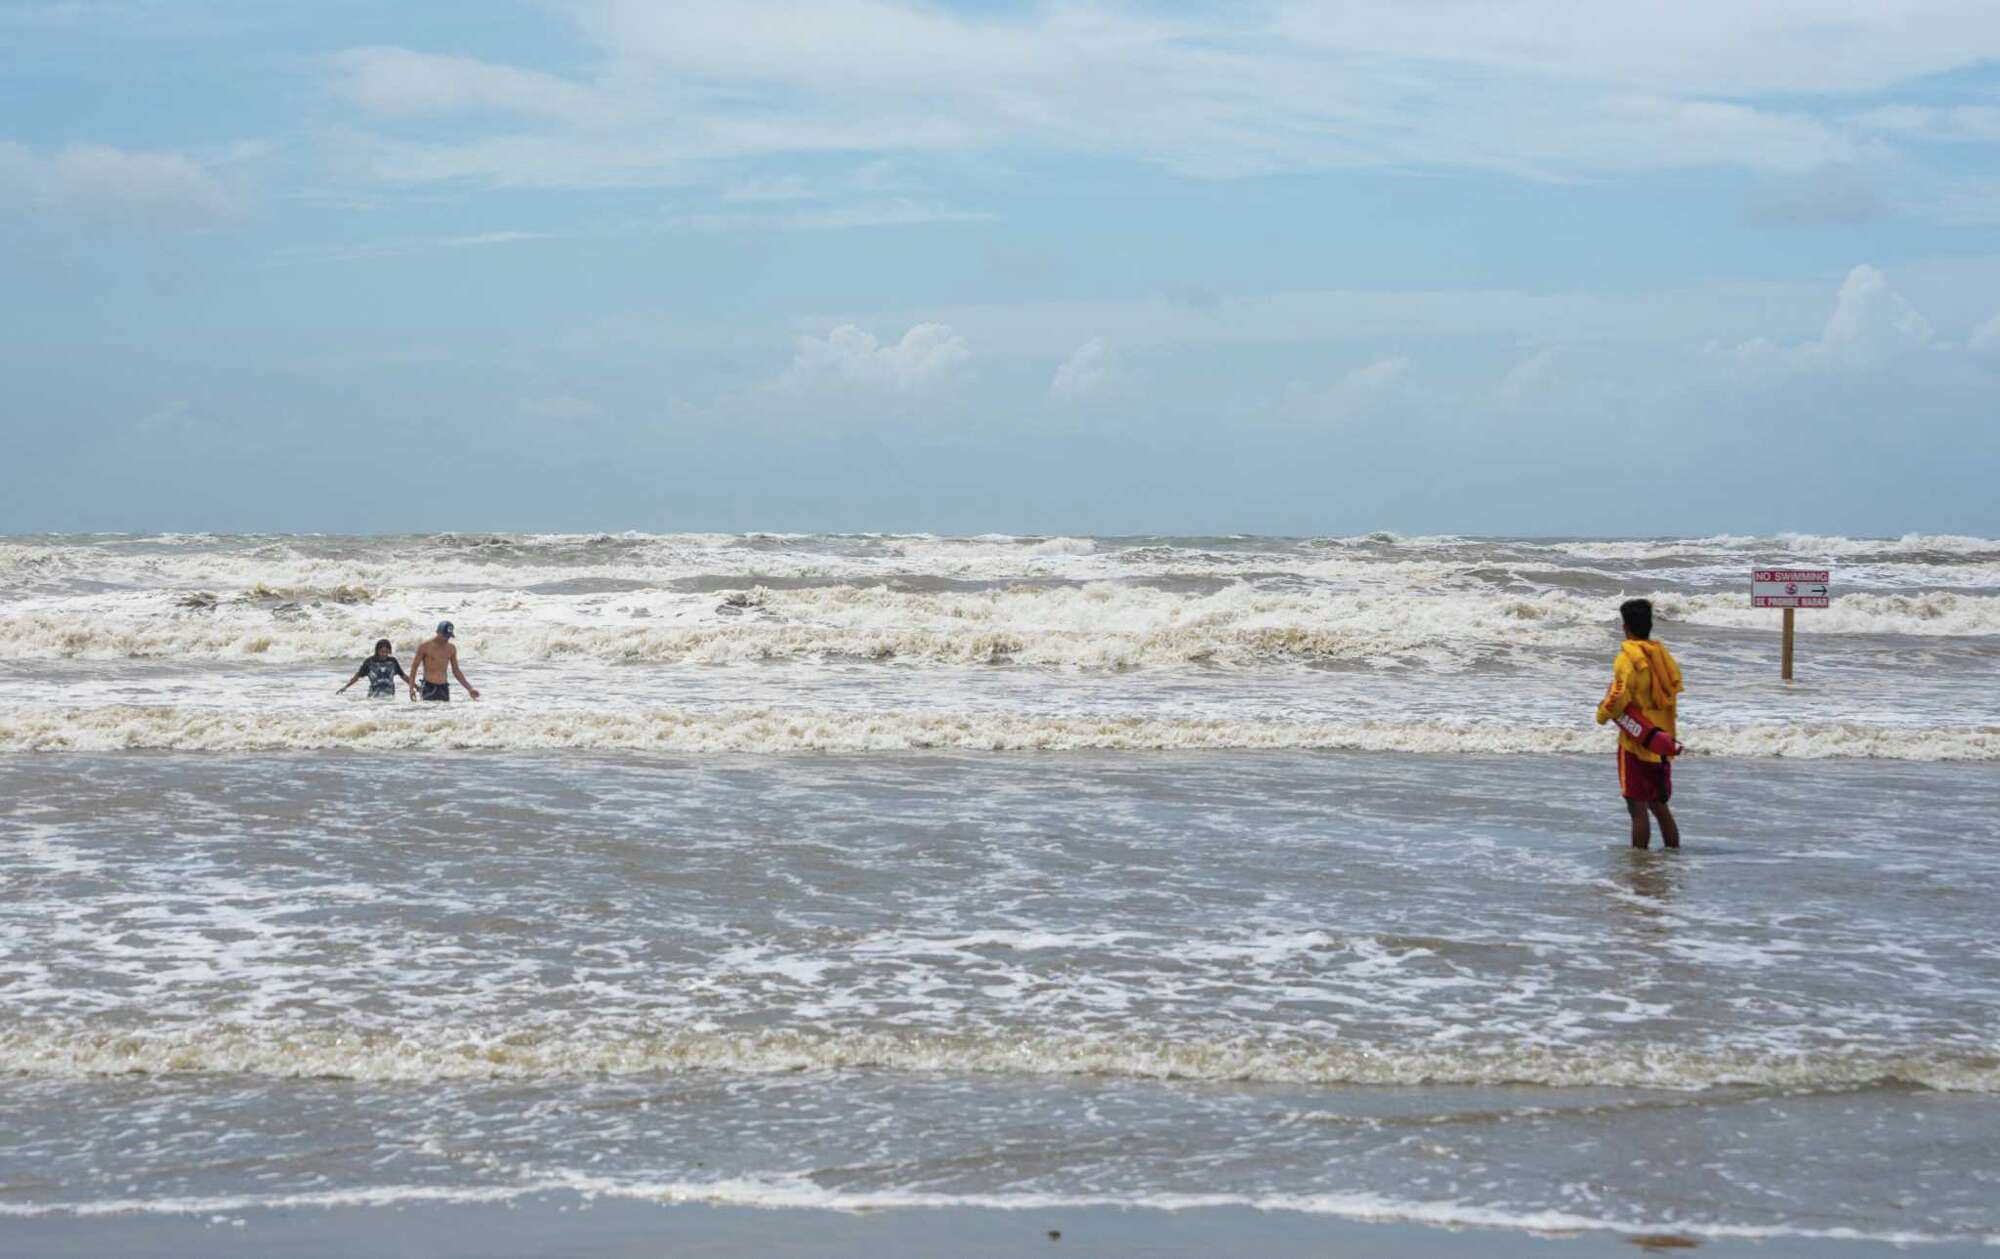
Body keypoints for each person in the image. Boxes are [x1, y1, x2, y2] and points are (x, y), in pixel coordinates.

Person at [1595, 598, 1683, 849]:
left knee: (1636, 806)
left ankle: (1640, 866)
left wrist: (1601, 715)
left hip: (1637, 742)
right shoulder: (1663, 656)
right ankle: (1670, 862)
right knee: (1659, 805)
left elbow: (1618, 698)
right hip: (1662, 740)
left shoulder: (1627, 659)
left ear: (1625, 628)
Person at [412, 621, 479, 702]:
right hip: (428, 688)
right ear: (438, 632)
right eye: (445, 636)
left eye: (449, 636)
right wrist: (411, 688)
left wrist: (470, 688)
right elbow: (414, 667)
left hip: (444, 688)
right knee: (428, 713)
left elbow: (456, 671)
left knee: (444, 713)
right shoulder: (425, 646)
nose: (447, 638)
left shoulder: (451, 648)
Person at [338, 638, 414, 699]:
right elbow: (357, 676)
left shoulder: (392, 661)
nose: (384, 654)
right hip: (374, 698)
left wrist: (416, 687)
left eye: (386, 651)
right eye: (382, 651)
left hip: (390, 698)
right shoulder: (369, 662)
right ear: (377, 650)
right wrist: (345, 687)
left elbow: (403, 676)